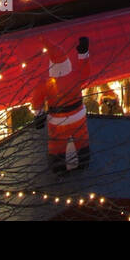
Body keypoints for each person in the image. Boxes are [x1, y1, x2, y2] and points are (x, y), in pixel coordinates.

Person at [31, 37, 93, 174]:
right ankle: (83, 159)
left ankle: (59, 165)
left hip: (57, 120)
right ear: (68, 64)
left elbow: (37, 98)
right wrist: (83, 53)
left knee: (57, 143)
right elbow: (86, 72)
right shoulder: (75, 76)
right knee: (80, 138)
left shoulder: (46, 84)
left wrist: (38, 115)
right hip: (77, 115)